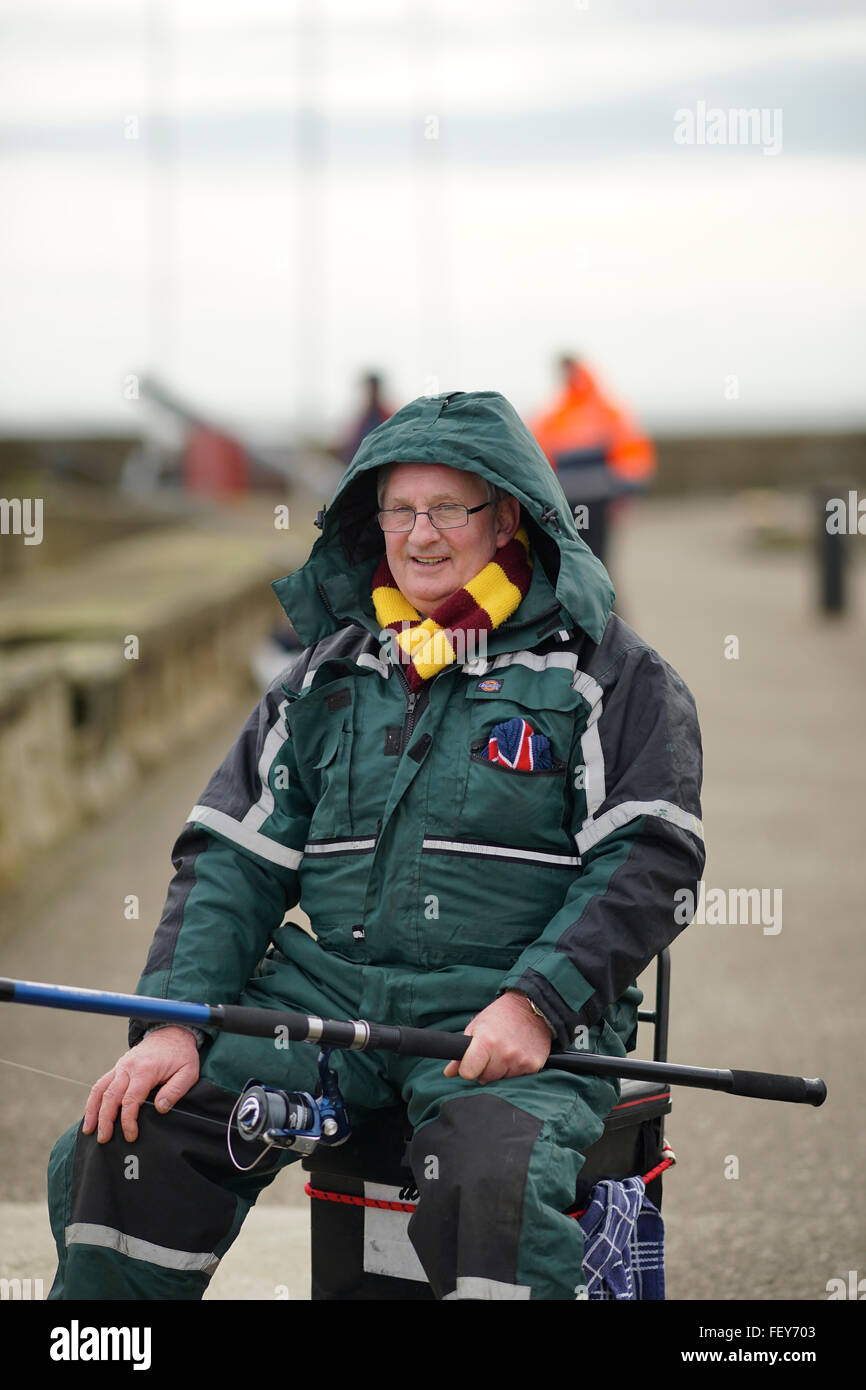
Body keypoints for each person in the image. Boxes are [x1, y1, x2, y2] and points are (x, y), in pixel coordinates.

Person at [47, 389, 704, 1301]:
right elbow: (231, 860)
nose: (421, 535)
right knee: (131, 1132)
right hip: (331, 1002)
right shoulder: (322, 677)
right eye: (399, 509)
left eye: (447, 509)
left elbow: (653, 860)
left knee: (493, 1185)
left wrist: (537, 1004)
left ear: (508, 513)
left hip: (509, 1015)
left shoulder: (611, 675)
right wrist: (174, 1023)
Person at [531, 354, 656, 566]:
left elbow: (631, 454)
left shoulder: (606, 412)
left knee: (597, 559)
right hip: (568, 502)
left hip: (600, 501)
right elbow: (539, 460)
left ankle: (602, 598)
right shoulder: (553, 416)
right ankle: (589, 597)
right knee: (576, 560)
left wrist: (627, 494)